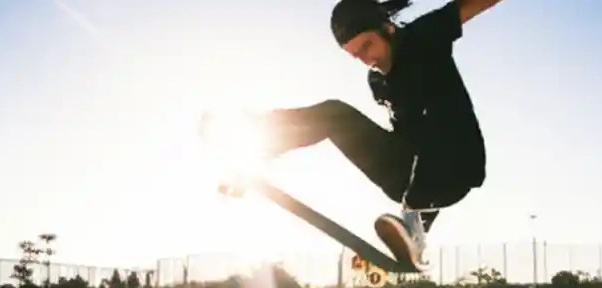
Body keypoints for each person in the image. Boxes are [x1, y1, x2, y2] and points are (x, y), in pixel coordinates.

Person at [204, 0, 504, 270]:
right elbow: (407, 144)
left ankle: (416, 221)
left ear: (387, 28)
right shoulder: (377, 81)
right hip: (410, 177)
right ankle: (253, 153)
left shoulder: (425, 35)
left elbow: (471, 5)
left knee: (343, 113)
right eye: (354, 54)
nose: (364, 59)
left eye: (366, 46)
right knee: (342, 121)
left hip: (458, 164)